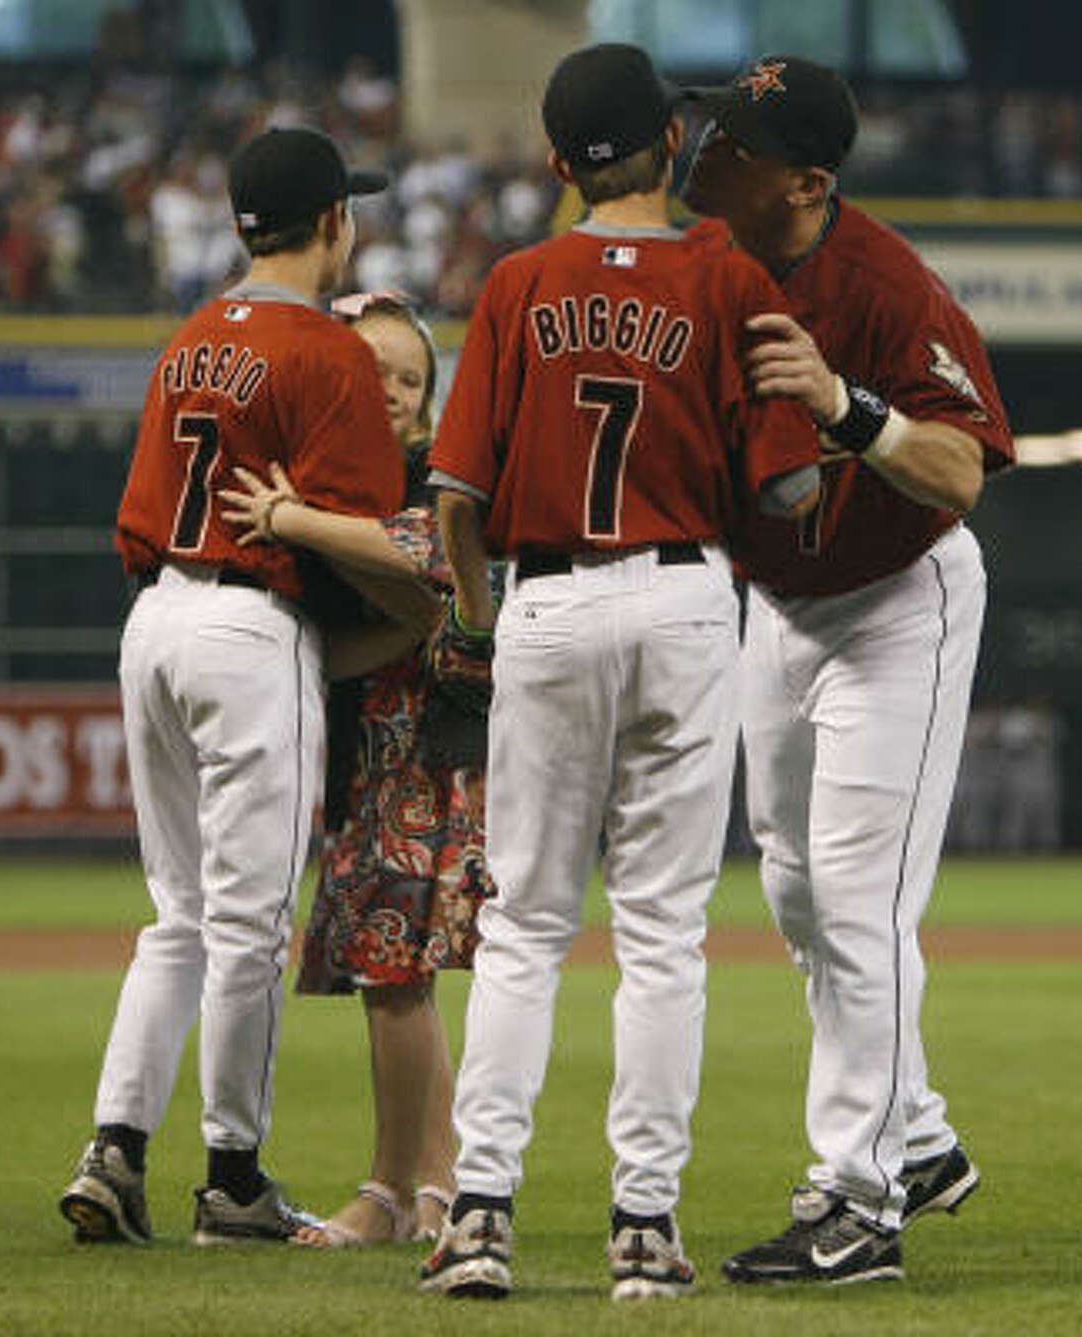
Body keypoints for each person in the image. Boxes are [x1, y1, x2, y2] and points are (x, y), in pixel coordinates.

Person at [417, 43, 821, 1301]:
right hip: (688, 595)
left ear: (555, 162)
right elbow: (794, 480)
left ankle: (479, 1213)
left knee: (524, 925)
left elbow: (454, 498)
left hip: (546, 597)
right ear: (672, 143)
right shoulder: (729, 272)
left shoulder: (522, 279)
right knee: (661, 934)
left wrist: (480, 625)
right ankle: (643, 1223)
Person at [58, 127, 439, 1247]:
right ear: (333, 223)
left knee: (175, 915)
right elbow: (370, 534)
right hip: (246, 624)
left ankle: (115, 1148)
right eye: (349, 211)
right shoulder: (325, 353)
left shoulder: (188, 338)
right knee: (248, 921)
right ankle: (233, 1174)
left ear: (238, 224)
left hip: (155, 617)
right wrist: (412, 612)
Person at [682, 56, 1015, 1284]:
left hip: (898, 601)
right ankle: (919, 1135)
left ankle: (858, 1199)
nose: (705, 153)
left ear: (808, 182)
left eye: (737, 144)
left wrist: (847, 408)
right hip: (782, 606)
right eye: (712, 125)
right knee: (799, 896)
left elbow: (961, 472)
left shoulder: (882, 281)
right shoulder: (706, 267)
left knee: (865, 899)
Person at [225, 293, 497, 1248]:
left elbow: (423, 559)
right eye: (371, 369)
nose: (390, 389)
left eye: (410, 378)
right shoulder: (334, 475)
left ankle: (389, 1191)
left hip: (425, 752)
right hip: (364, 755)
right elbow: (381, 627)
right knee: (394, 976)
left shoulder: (430, 474)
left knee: (394, 970)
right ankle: (438, 1180)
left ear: (429, 405)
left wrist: (290, 517)